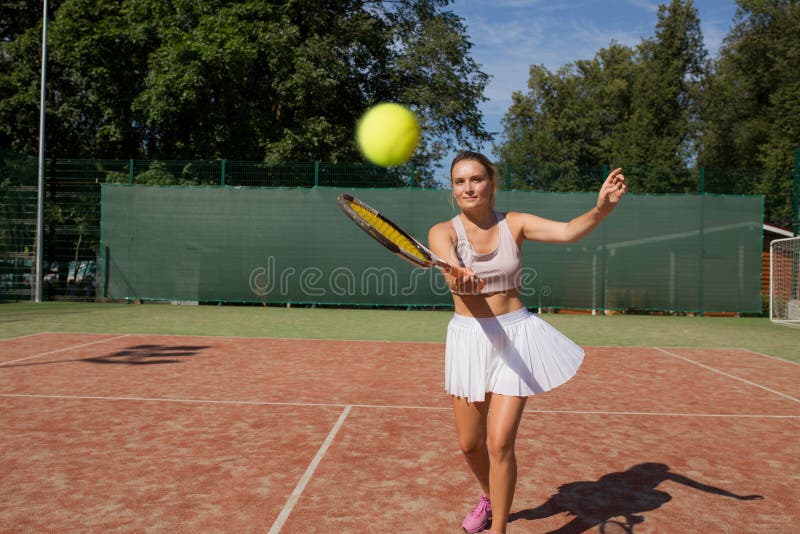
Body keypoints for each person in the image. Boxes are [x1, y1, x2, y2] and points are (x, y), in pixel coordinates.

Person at [427, 151, 627, 534]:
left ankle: (499, 528)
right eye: (459, 182)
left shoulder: (514, 223)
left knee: (500, 443)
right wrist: (458, 278)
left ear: (491, 183)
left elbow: (568, 230)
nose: (468, 187)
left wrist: (600, 209)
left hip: (516, 337)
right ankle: (489, 495)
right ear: (452, 189)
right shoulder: (443, 230)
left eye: (476, 179)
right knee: (471, 445)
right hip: (469, 340)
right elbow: (448, 266)